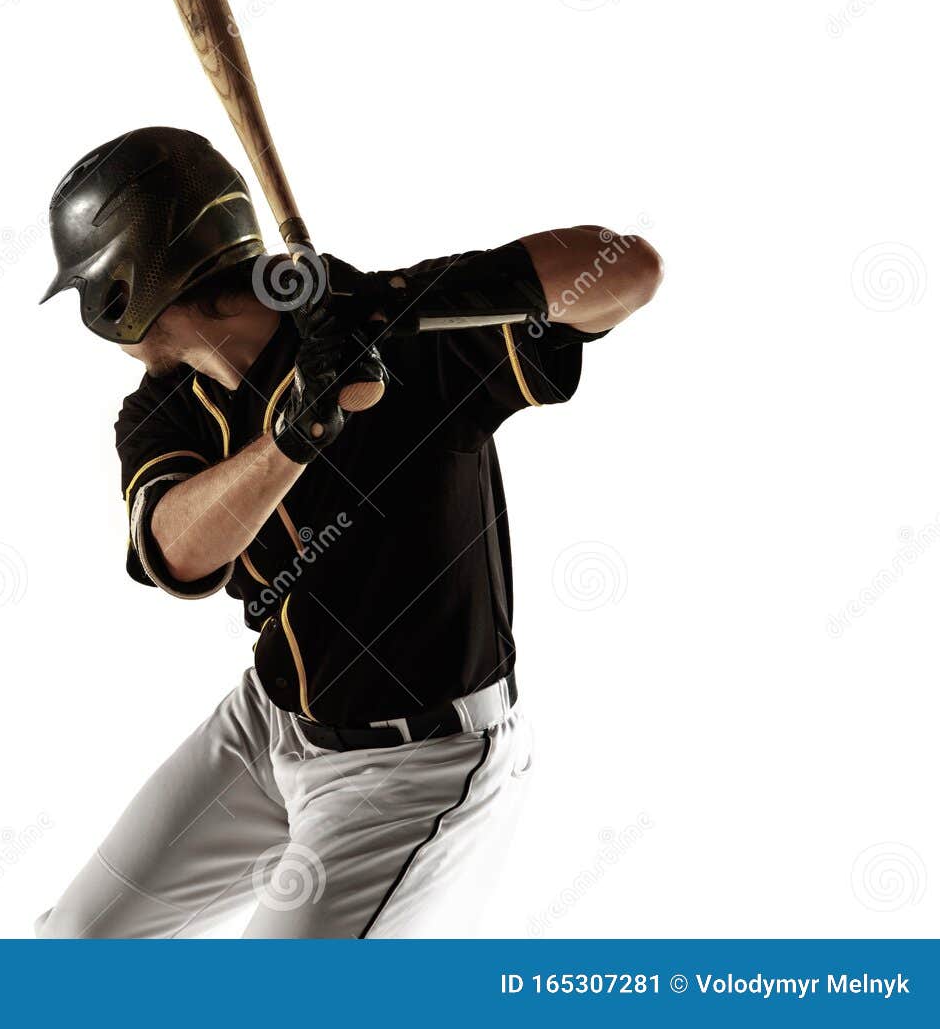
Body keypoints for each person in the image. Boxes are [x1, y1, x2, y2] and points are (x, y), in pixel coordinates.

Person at [34, 127, 661, 937]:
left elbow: (631, 270)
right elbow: (178, 554)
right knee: (71, 948)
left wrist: (403, 302)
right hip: (268, 726)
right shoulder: (164, 404)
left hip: (414, 766)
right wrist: (298, 436)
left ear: (127, 290)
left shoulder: (401, 338)